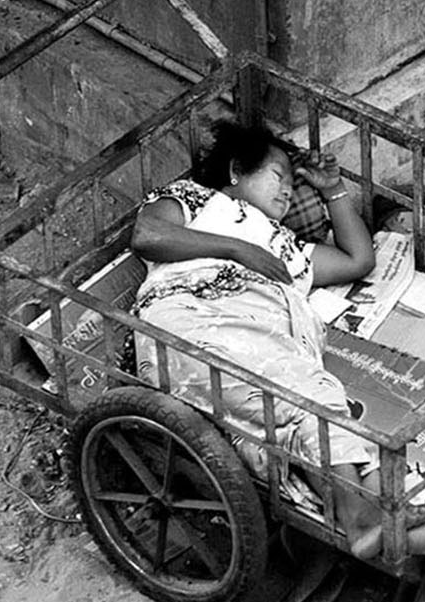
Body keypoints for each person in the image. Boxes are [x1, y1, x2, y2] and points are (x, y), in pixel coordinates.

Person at [128, 119, 377, 511]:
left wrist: (333, 190)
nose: (287, 192)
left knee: (317, 399)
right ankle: (371, 518)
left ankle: (372, 519)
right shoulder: (198, 200)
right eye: (277, 176)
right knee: (299, 400)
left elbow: (358, 259)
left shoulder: (287, 246)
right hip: (196, 314)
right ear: (236, 170)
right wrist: (237, 250)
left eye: (293, 188)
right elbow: (148, 235)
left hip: (264, 337)